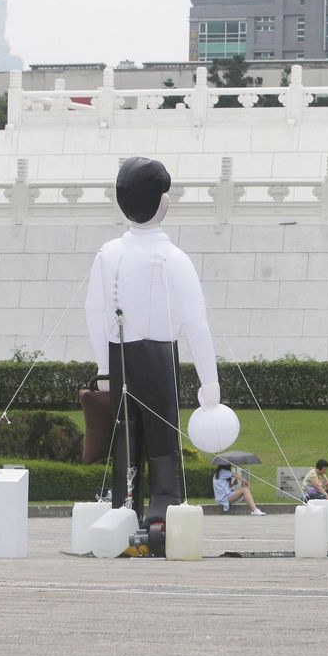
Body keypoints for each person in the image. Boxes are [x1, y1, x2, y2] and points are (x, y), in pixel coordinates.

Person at [85, 157, 227, 528]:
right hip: (157, 353)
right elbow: (196, 322)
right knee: (163, 436)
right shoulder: (171, 258)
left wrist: (103, 365)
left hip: (120, 355)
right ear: (161, 202)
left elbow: (96, 311)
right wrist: (209, 381)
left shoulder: (108, 253)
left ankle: (124, 504)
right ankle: (162, 504)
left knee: (126, 435)